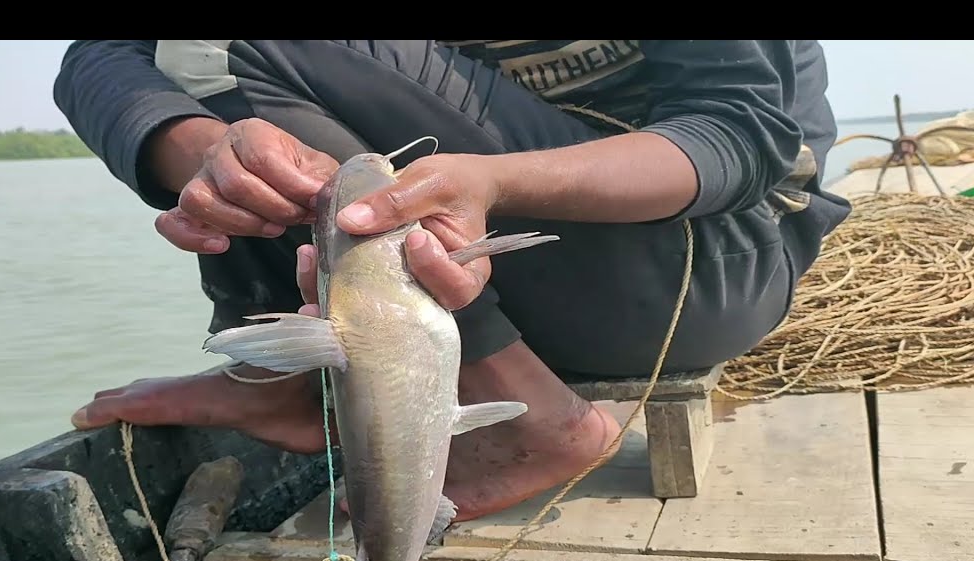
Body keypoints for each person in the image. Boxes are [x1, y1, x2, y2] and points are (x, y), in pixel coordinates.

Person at [52, 40, 850, 523]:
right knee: (179, 55)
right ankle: (291, 375)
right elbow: (101, 58)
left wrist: (493, 183)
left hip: (699, 267)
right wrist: (208, 151)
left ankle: (530, 412)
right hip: (525, 265)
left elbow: (738, 135)